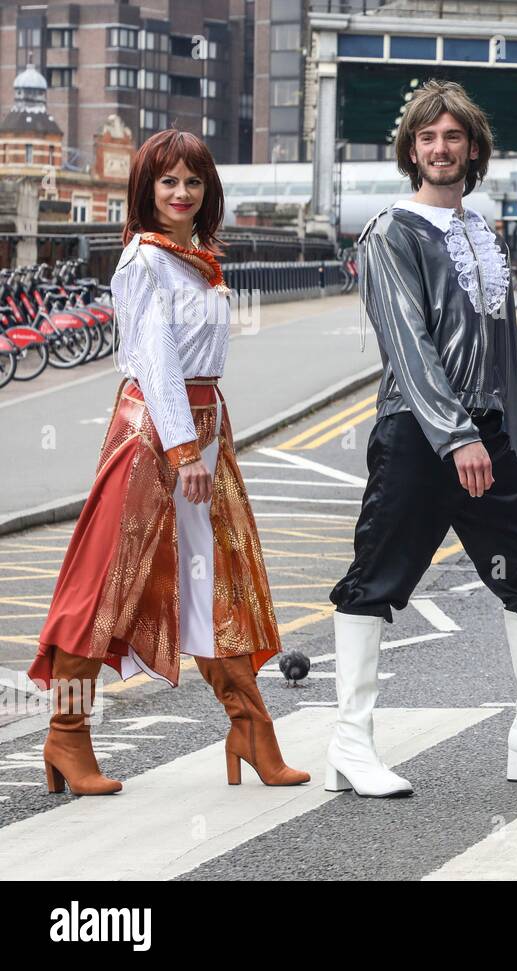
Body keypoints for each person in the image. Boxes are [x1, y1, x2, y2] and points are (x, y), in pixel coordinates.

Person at [327, 80, 517, 797]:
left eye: (453, 136)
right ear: (411, 150)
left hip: (484, 435)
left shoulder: (484, 232)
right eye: (427, 137)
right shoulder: (391, 232)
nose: (440, 148)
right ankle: (350, 745)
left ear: (474, 149)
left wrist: (497, 433)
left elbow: (502, 349)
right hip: (419, 433)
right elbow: (408, 344)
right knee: (377, 579)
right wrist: (455, 437)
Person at [31, 129, 307, 795]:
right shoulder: (143, 261)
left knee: (221, 583)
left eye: (193, 181)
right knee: (104, 585)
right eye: (168, 182)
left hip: (204, 431)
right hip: (152, 435)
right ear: (146, 190)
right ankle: (67, 735)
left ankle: (252, 730)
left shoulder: (198, 260)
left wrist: (203, 445)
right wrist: (183, 450)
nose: (182, 193)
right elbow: (154, 359)